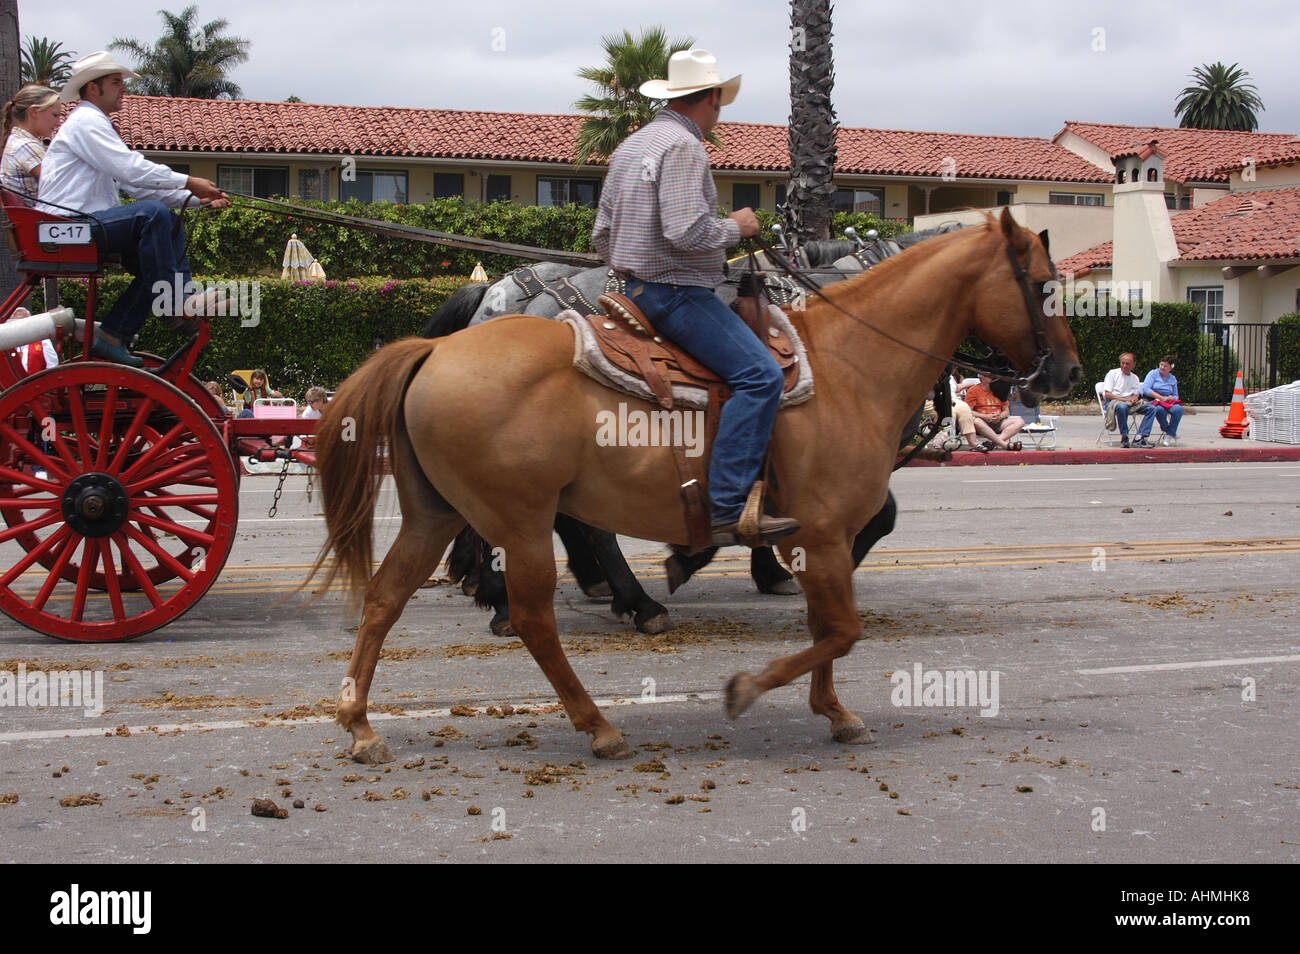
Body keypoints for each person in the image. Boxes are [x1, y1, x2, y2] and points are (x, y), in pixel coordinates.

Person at [591, 48, 797, 545]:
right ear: (707, 99)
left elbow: (602, 235)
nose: (719, 113)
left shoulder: (630, 147)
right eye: (719, 102)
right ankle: (728, 507)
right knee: (760, 375)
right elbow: (686, 231)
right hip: (676, 295)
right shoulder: (683, 148)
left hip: (632, 291)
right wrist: (737, 227)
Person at [36, 51, 231, 367]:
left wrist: (196, 201)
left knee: (164, 225)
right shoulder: (86, 121)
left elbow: (138, 186)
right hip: (68, 226)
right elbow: (132, 171)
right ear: (92, 89)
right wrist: (190, 181)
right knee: (154, 214)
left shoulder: (95, 124)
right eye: (116, 82)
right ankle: (174, 302)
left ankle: (115, 334)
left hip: (82, 226)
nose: (123, 88)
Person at [1, 84, 60, 202]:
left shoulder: (16, 140)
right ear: (33, 112)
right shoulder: (26, 146)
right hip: (43, 217)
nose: (58, 122)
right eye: (55, 115)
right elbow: (58, 183)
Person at [1103, 351, 1156, 448]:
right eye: (1123, 363)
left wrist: (1134, 399)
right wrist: (1123, 399)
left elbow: (1135, 395)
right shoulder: (1112, 373)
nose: (1124, 366)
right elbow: (1107, 394)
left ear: (1133, 365)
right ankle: (1125, 436)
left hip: (1129, 403)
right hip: (1114, 402)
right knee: (1122, 407)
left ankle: (1140, 437)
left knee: (1152, 409)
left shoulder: (1135, 378)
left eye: (1127, 363)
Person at [962, 372, 1024, 450]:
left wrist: (1000, 416)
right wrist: (986, 416)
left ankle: (993, 443)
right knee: (976, 421)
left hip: (998, 421)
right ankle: (1005, 445)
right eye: (991, 376)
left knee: (1020, 421)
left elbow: (1006, 411)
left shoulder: (1000, 391)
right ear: (983, 378)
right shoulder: (974, 391)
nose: (995, 378)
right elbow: (968, 411)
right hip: (982, 423)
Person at [1142, 354, 1182, 446]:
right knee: (1159, 410)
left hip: (1168, 401)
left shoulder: (1173, 379)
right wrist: (1161, 398)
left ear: (1170, 368)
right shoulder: (1153, 374)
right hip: (1155, 399)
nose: (1162, 367)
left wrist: (1171, 398)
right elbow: (1146, 389)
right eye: (1161, 365)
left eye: (1165, 366)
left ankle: (1168, 434)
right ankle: (1171, 432)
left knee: (1178, 409)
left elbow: (1176, 395)